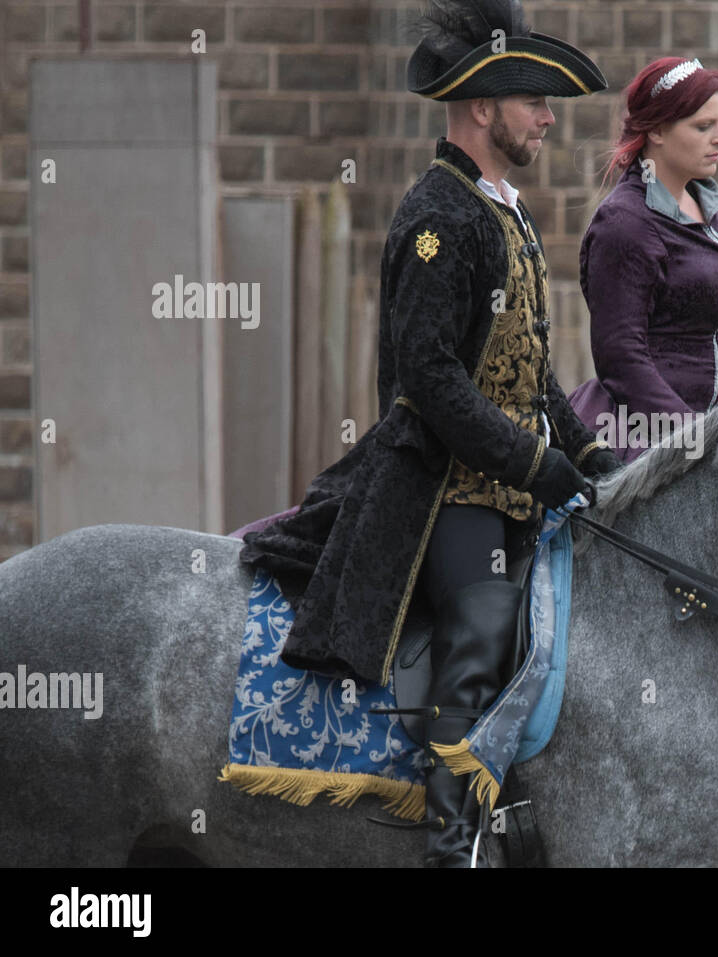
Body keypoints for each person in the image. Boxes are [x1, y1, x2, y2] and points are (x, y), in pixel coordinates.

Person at [238, 0, 620, 867]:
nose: (549, 118)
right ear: (482, 108)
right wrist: (531, 460)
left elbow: (527, 368)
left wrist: (589, 450)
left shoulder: (503, 209)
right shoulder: (440, 220)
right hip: (444, 487)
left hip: (510, 479)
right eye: (535, 101)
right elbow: (432, 380)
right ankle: (451, 843)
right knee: (484, 625)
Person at [567, 57, 718, 462]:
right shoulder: (624, 224)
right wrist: (693, 436)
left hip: (705, 432)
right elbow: (620, 356)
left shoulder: (710, 208)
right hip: (639, 438)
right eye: (704, 126)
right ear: (658, 131)